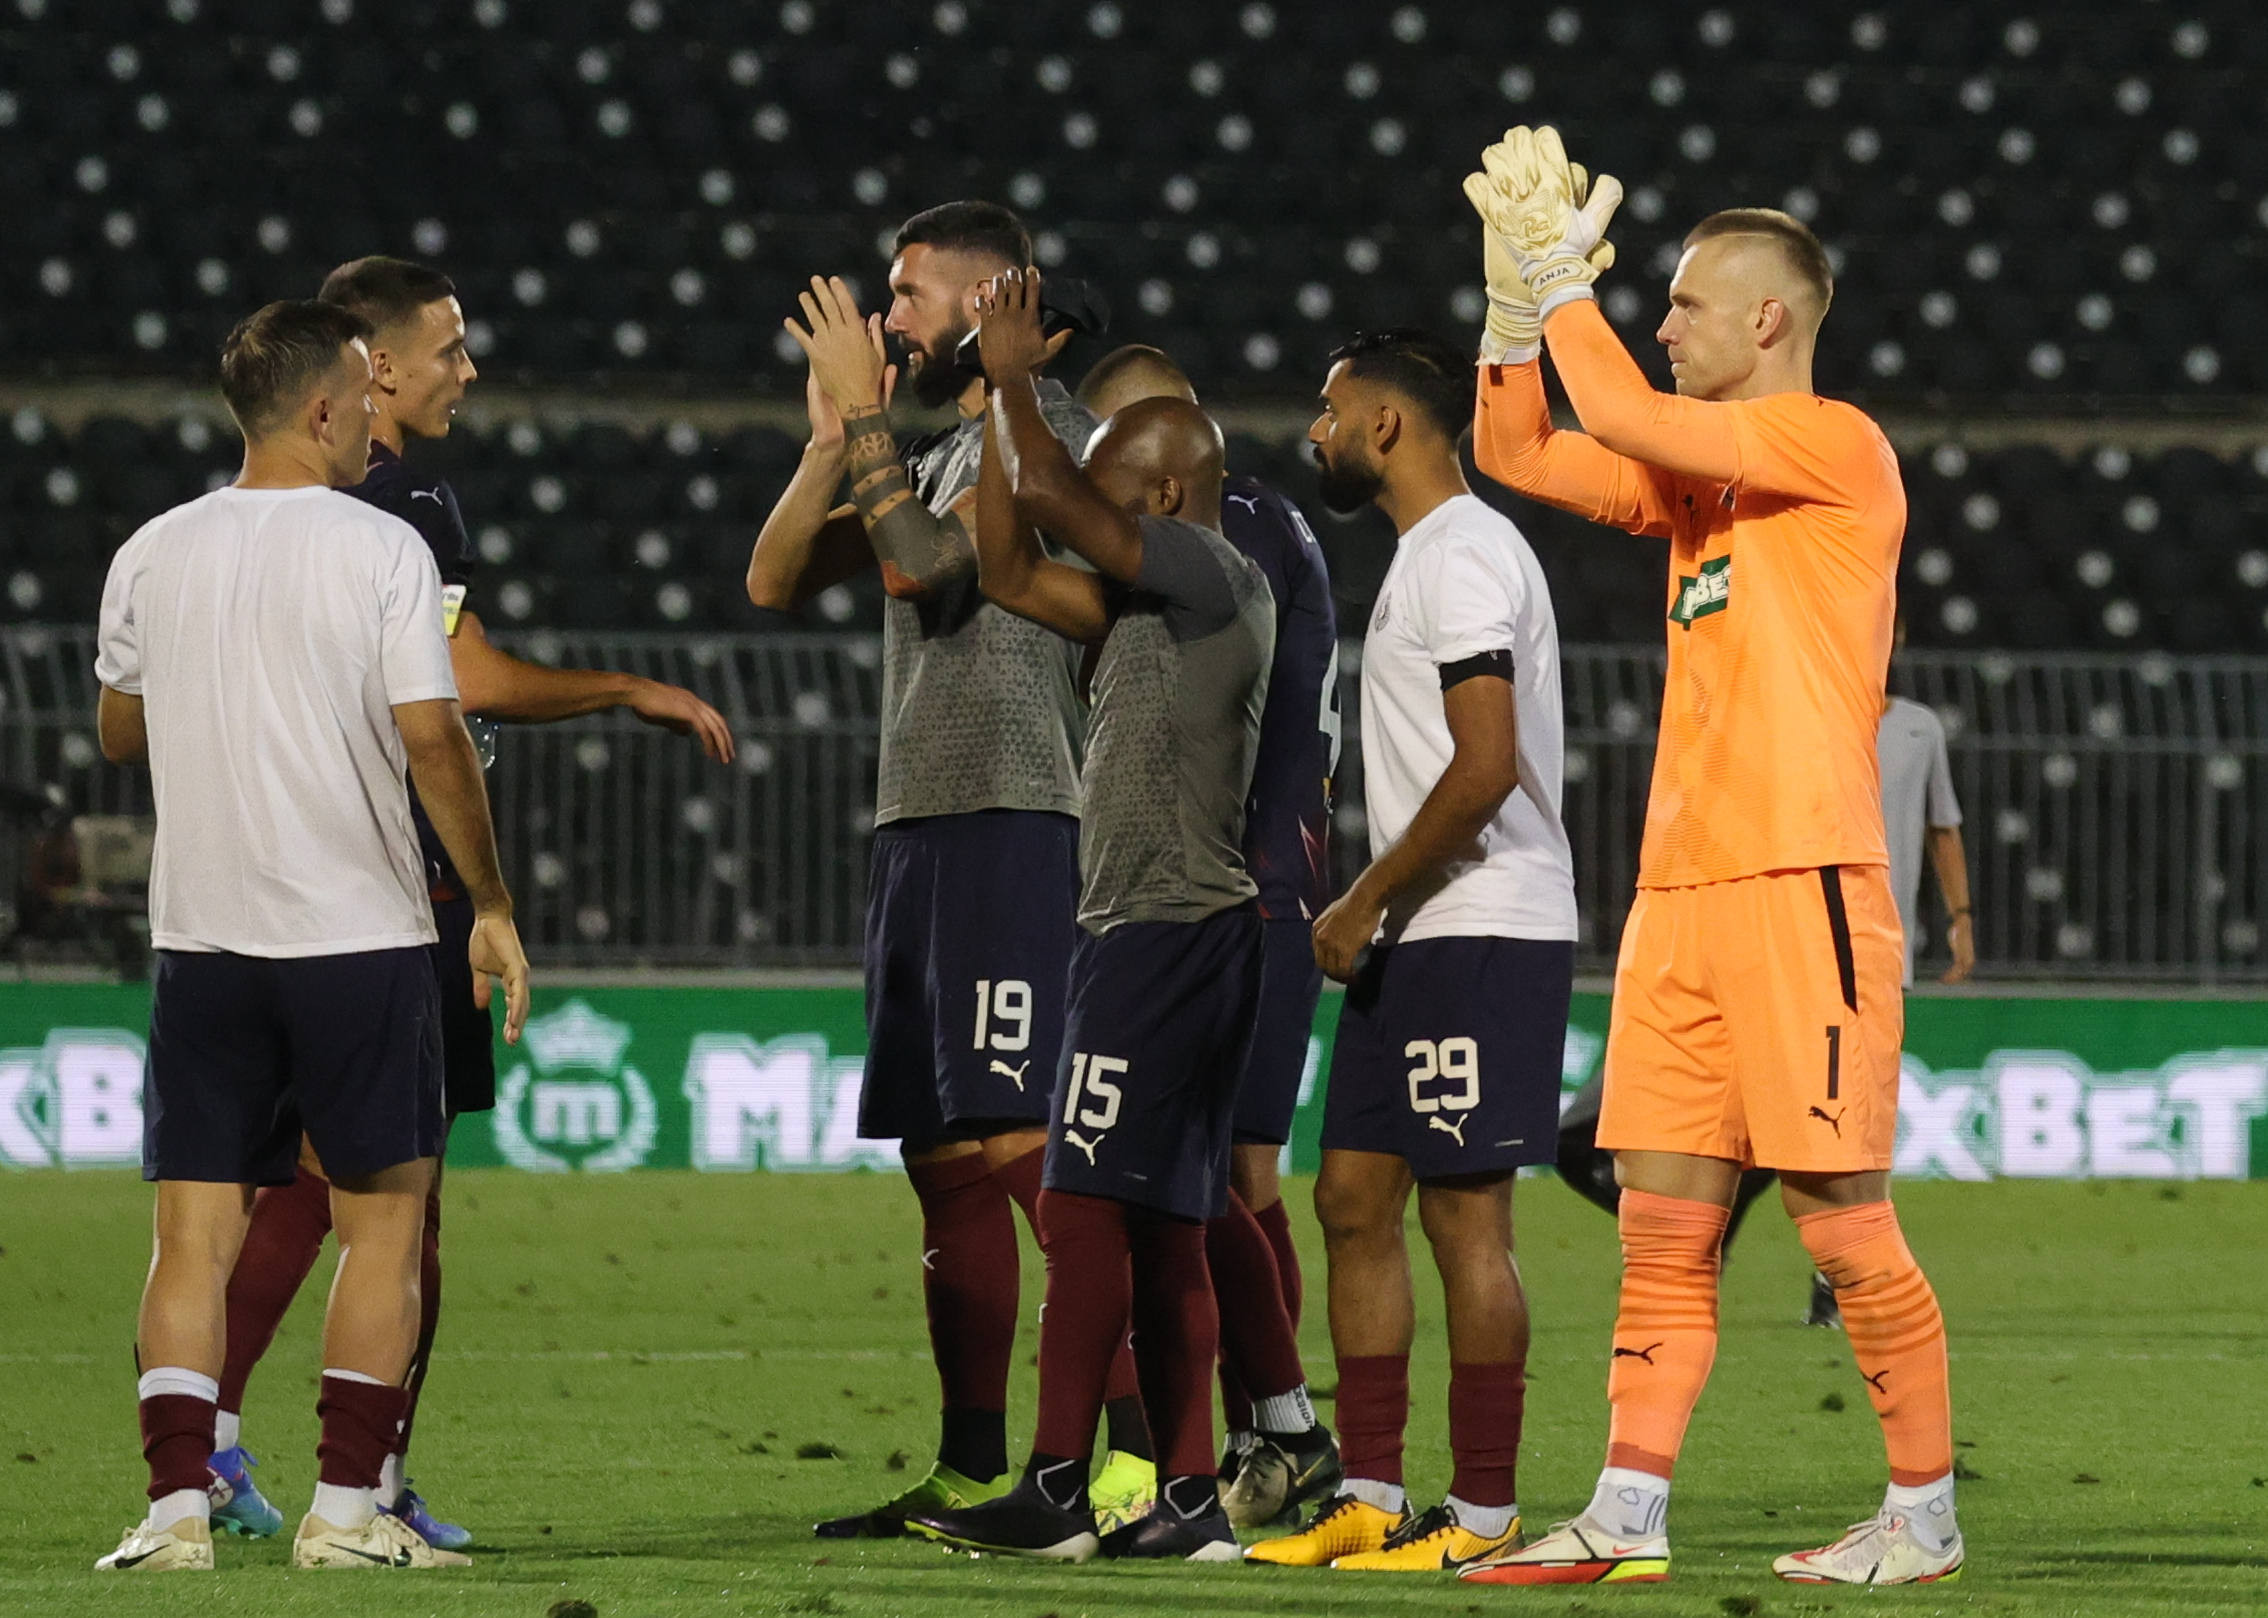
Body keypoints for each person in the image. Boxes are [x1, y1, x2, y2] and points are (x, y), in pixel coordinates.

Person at [1459, 127, 1960, 1587]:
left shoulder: (1834, 443)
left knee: (1840, 1225)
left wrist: (1561, 281)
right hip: (1678, 898)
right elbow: (1516, 446)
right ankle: (1625, 1514)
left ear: (1769, 319)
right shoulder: (1703, 489)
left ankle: (1923, 1516)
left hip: (1803, 885)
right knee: (1663, 1229)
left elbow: (1603, 391)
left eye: (1684, 299)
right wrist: (1507, 311)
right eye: (1654, 301)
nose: (1662, 321)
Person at [205, 256, 732, 1551]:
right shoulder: (411, 496)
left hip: (280, 871)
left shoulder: (268, 501)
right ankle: (364, 1479)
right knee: (398, 1191)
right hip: (401, 876)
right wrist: (631, 690)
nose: (467, 367)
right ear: (374, 369)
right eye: (448, 346)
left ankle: (219, 1439)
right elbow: (470, 680)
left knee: (311, 1174)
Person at [92, 299, 530, 1573]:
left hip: (204, 938)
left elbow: (121, 732)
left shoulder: (153, 550)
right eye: (359, 390)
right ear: (329, 408)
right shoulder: (379, 549)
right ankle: (346, 1513)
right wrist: (490, 901)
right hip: (358, 934)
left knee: (191, 1234)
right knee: (384, 1223)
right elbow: (434, 733)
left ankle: (174, 1513)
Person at [747, 203, 1154, 1537]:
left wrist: (866, 419)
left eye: (912, 293)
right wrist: (834, 436)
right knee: (944, 1155)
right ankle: (975, 1461)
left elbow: (929, 573)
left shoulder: (1050, 445)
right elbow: (770, 580)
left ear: (992, 304)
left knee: (1034, 1150)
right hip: (918, 823)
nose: (892, 316)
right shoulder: (916, 452)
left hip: (1021, 816)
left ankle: (1138, 1462)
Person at [906, 267, 1273, 1563]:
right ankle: (1189, 1501)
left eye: (1119, 485)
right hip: (1163, 927)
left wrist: (1010, 379)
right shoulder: (1142, 608)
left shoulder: (1213, 572)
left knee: (1082, 1195)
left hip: (1162, 931)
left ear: (1164, 494)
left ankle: (1060, 1484)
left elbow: (1059, 499)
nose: (1095, 506)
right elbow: (1009, 559)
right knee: (1168, 1218)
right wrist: (1011, 432)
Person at [1243, 330, 1575, 1574]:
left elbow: (1485, 768)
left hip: (1479, 922)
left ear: (1387, 424)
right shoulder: (1424, 558)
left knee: (1464, 1225)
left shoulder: (1469, 555)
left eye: (1330, 410)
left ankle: (1481, 1513)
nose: (1315, 432)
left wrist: (1363, 898)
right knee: (1349, 1198)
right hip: (1417, 923)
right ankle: (1371, 1495)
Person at [1077, 344, 1343, 1527]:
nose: (1099, 472)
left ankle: (1277, 1427)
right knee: (1204, 1170)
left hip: (1241, 885)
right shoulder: (1261, 524)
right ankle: (1264, 1431)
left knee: (1221, 1172)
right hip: (1214, 880)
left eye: (1111, 446)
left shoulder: (1232, 527)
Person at [1559, 625, 1977, 1332]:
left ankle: (1833, 1285)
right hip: (1769, 951)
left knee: (1840, 1131)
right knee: (1695, 1135)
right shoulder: (1791, 710)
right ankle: (1706, 1239)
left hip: (1869, 960)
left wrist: (1960, 916)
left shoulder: (1918, 730)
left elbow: (1943, 827)